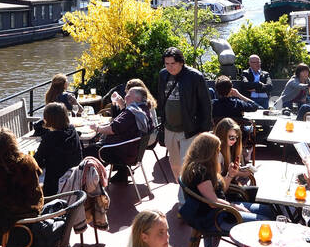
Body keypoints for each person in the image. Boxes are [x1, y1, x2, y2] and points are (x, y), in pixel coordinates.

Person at [157, 47, 213, 180]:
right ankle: (182, 187)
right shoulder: (163, 75)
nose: (170, 67)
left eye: (173, 63)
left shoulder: (195, 76)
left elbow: (206, 104)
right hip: (169, 127)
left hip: (189, 128)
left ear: (181, 62)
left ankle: (185, 196)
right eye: (167, 64)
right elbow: (160, 98)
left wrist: (204, 129)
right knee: (175, 164)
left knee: (187, 164)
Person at [90, 85, 153, 182]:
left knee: (89, 150)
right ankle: (122, 174)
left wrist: (97, 128)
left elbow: (112, 129)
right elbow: (123, 125)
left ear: (138, 98)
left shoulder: (131, 112)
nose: (125, 97)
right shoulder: (144, 110)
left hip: (122, 153)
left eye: (128, 96)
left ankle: (90, 182)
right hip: (134, 151)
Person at [34, 102, 83, 196]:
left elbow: (36, 162)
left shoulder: (50, 138)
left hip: (56, 186)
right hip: (74, 178)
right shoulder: (72, 130)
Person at [213, 118, 256, 202]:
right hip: (225, 195)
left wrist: (240, 171)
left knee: (257, 192)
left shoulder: (230, 148)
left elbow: (230, 172)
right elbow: (218, 186)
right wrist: (239, 174)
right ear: (222, 136)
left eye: (236, 137)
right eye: (231, 137)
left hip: (231, 188)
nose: (235, 141)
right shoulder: (217, 154)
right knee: (256, 195)